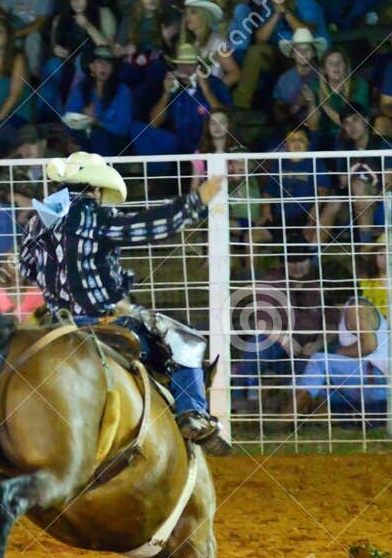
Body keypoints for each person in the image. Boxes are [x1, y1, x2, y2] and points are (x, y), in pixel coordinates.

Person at [17, 151, 232, 453]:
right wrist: (197, 201)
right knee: (187, 342)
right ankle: (192, 413)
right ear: (96, 187)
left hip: (54, 323)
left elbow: (26, 268)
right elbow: (151, 226)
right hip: (103, 321)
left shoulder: (38, 221)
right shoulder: (97, 217)